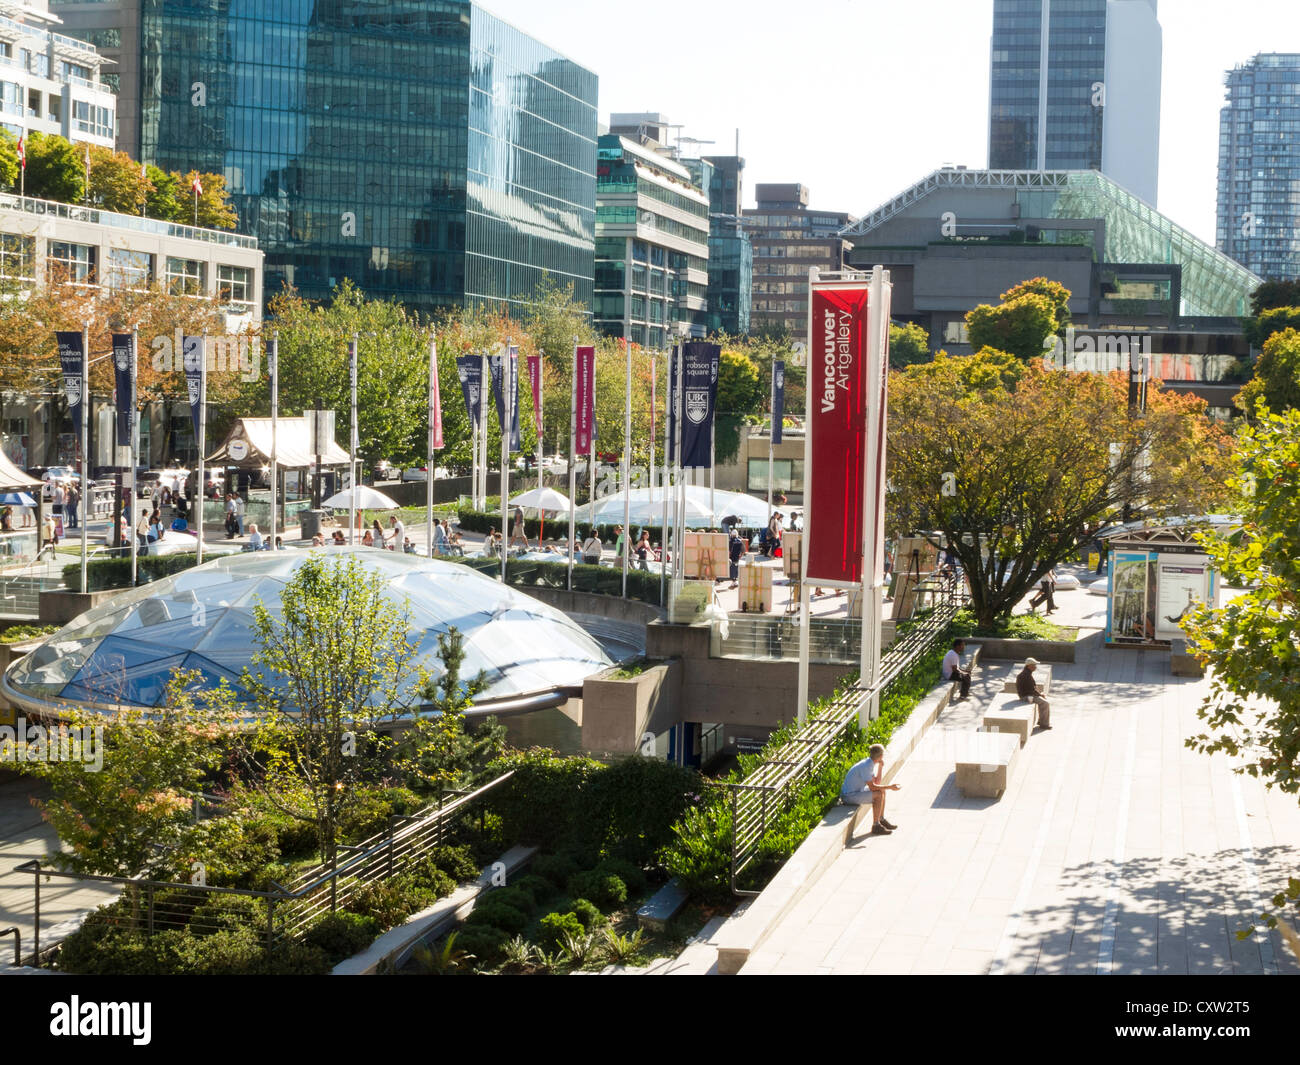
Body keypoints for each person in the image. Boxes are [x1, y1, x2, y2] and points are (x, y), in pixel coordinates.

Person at [840, 743, 900, 836]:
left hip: (856, 792)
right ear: (881, 756)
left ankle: (881, 819)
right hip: (849, 796)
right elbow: (873, 787)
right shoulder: (866, 766)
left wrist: (880, 767)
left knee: (882, 791)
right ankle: (876, 826)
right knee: (878, 795)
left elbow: (877, 782)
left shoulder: (869, 763)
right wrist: (890, 787)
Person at [1016, 657, 1052, 730]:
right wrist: (1040, 694)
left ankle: (1041, 720)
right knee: (1045, 703)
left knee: (1042, 700)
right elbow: (1031, 690)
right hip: (1026, 696)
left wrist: (1039, 694)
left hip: (1027, 694)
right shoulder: (1026, 675)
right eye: (1034, 665)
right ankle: (1044, 724)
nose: (1035, 667)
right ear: (1029, 666)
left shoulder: (1027, 673)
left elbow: (1032, 688)